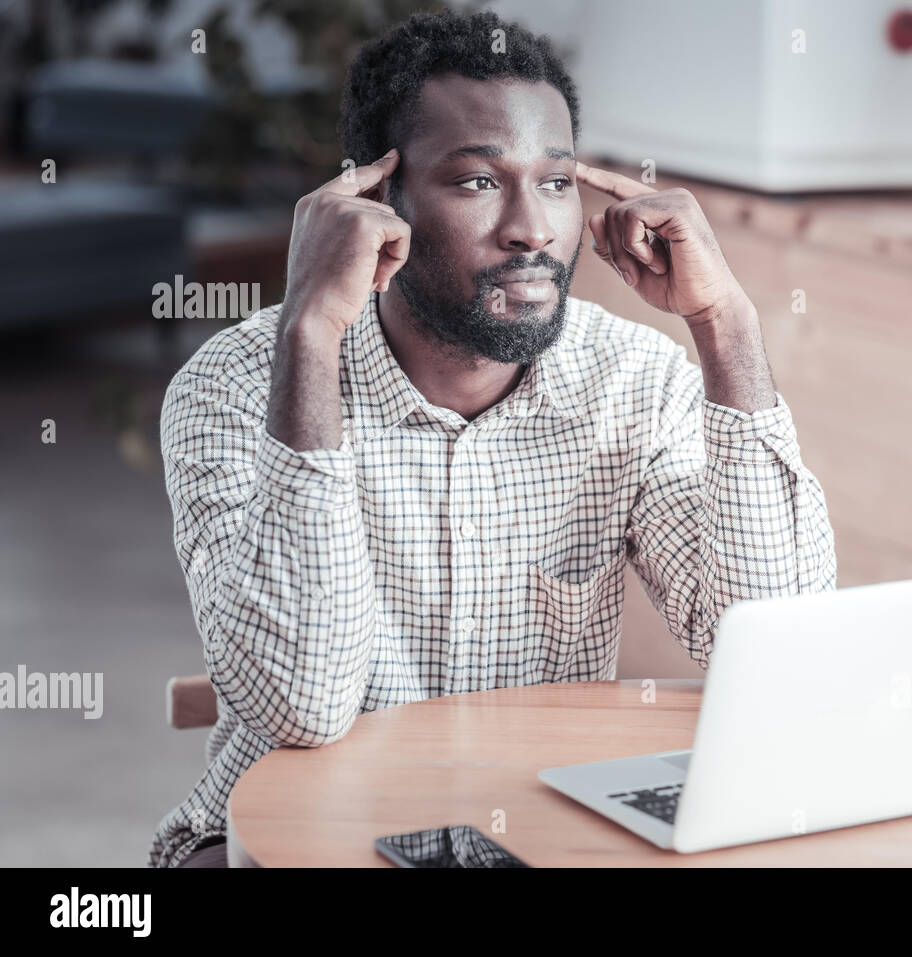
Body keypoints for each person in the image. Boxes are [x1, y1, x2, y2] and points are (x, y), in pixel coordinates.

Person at [153, 7, 836, 868]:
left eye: (555, 182)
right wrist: (310, 338)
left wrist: (724, 323)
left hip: (537, 842)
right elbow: (302, 702)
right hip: (292, 843)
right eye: (478, 182)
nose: (533, 227)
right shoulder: (237, 386)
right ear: (371, 200)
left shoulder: (634, 383)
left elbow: (772, 645)